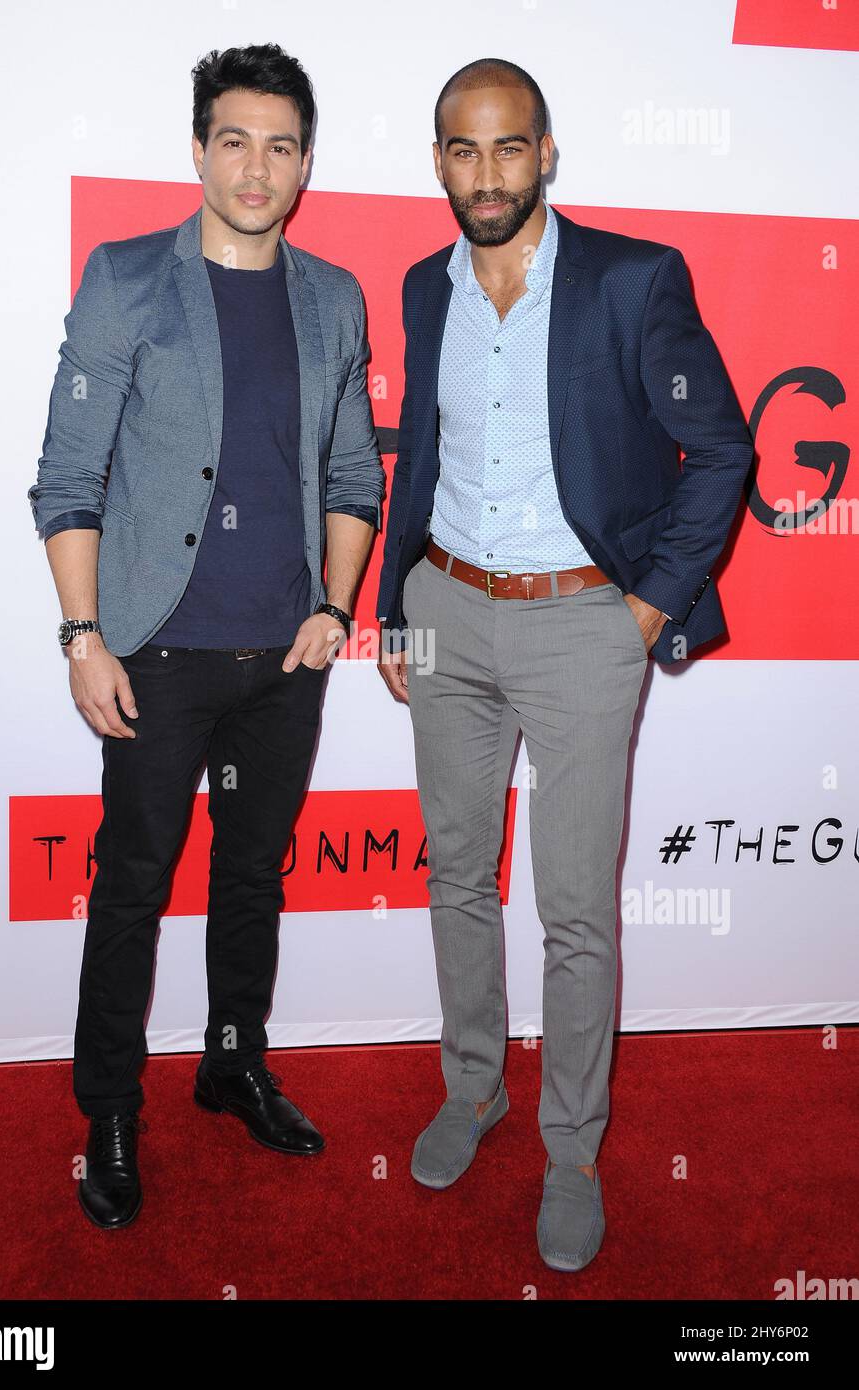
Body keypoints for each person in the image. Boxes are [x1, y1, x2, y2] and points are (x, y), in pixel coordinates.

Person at [376, 57, 752, 1271]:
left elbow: (720, 450)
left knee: (574, 911)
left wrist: (643, 608)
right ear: (438, 163)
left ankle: (573, 1149)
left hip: (582, 620)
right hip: (445, 606)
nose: (485, 174)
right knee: (454, 876)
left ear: (545, 153)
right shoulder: (422, 287)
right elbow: (418, 455)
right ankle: (472, 1084)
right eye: (462, 150)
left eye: (508, 147)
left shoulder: (631, 279)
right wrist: (394, 604)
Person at [28, 43, 384, 1228]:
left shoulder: (333, 298)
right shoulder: (126, 279)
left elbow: (353, 471)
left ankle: (232, 1062)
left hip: (283, 657)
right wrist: (83, 635)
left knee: (250, 878)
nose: (256, 168)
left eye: (280, 146)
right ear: (196, 149)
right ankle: (109, 1108)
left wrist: (333, 607)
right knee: (131, 885)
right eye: (234, 141)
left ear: (305, 163)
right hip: (154, 655)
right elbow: (68, 476)